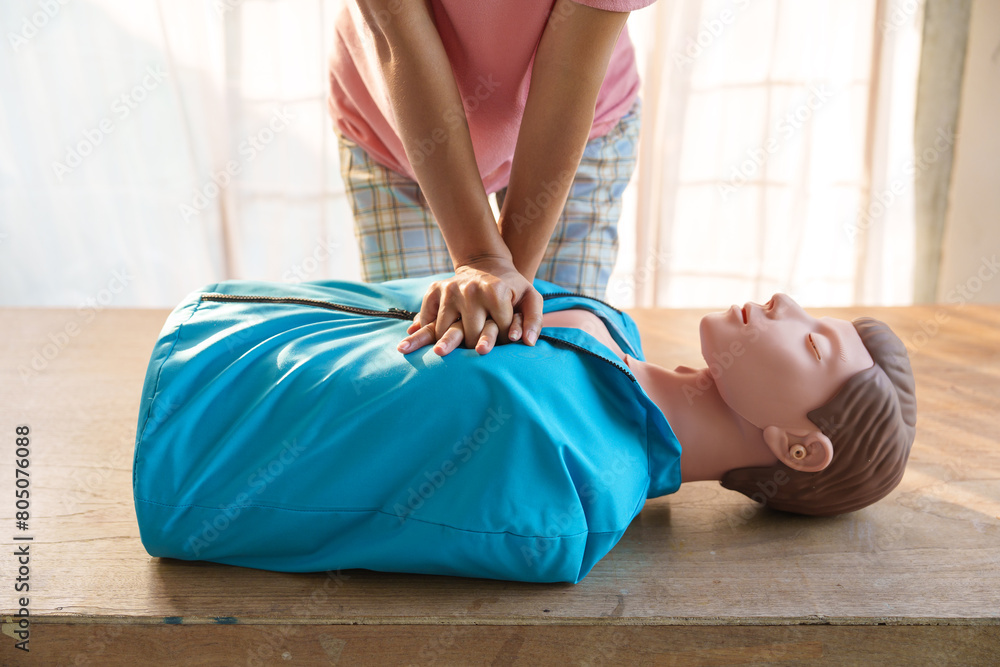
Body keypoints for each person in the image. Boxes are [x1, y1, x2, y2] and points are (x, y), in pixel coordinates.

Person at [133, 273, 916, 582]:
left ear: (799, 447)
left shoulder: (576, 497)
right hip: (221, 322)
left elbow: (347, 512)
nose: (786, 302)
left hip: (188, 443)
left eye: (814, 343)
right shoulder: (612, 325)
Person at [328, 0, 652, 358]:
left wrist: (505, 286)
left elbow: (570, 68)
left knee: (557, 353)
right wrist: (480, 258)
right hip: (395, 135)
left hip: (581, 127)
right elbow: (398, 39)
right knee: (420, 355)